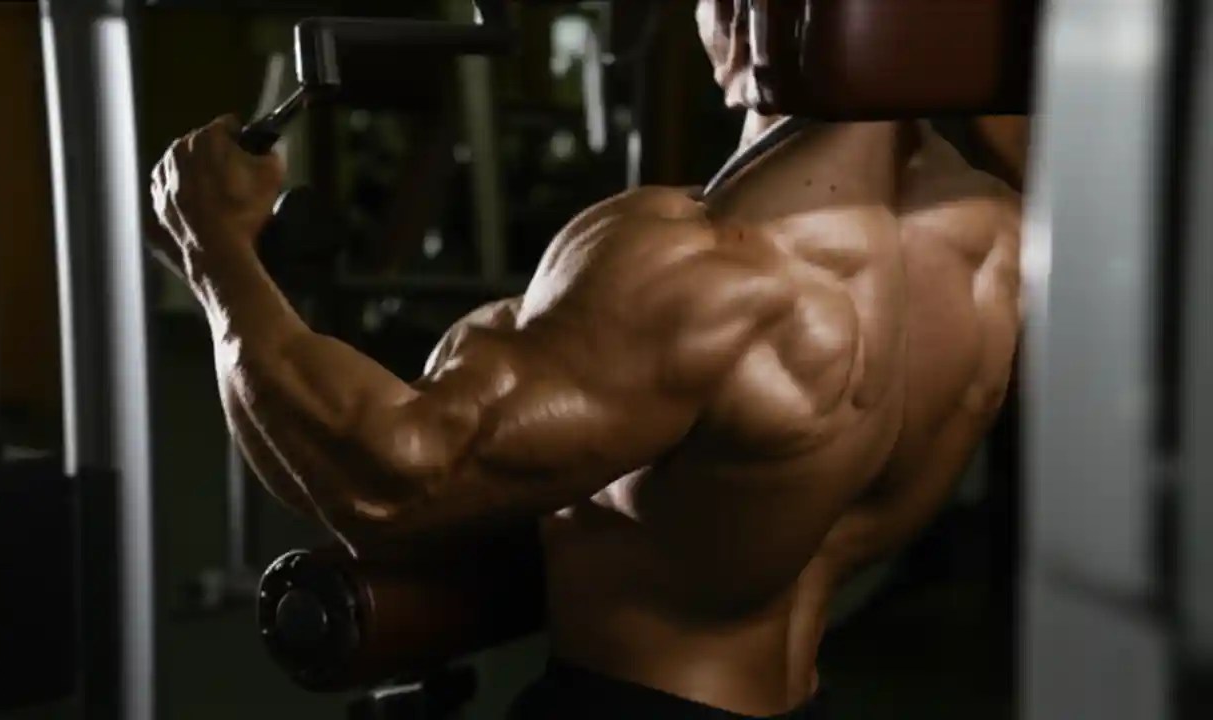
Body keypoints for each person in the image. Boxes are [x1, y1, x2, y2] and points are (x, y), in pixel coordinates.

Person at [149, 2, 1027, 717]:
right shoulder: (999, 244)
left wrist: (214, 251)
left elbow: (392, 479)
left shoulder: (703, 269)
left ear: (754, 16)